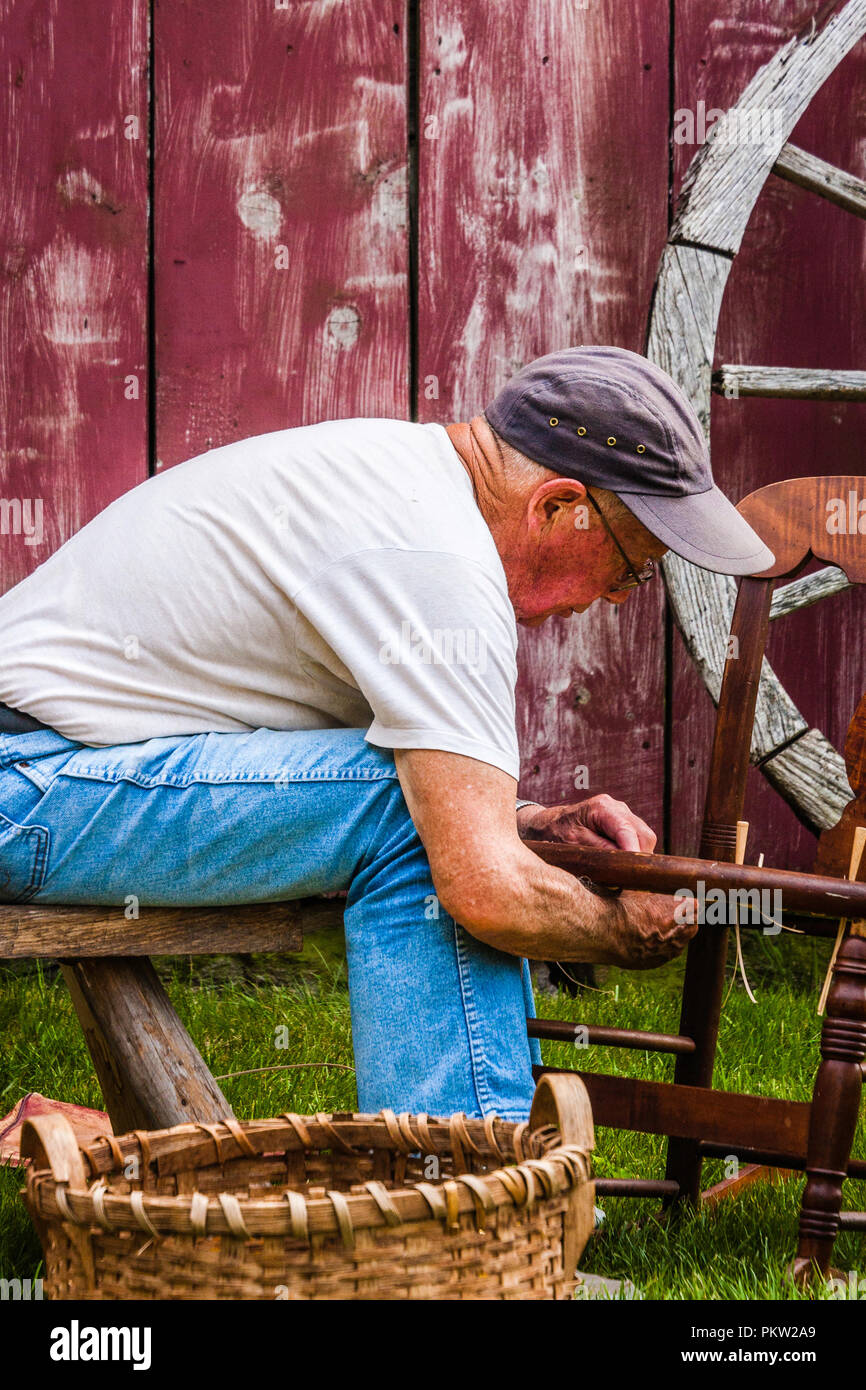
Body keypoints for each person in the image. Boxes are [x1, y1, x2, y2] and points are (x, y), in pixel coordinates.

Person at [0, 346, 773, 1120]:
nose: (614, 597)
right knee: (420, 826)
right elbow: (484, 888)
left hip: (52, 773)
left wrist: (530, 824)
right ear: (555, 505)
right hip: (27, 781)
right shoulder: (439, 563)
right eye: (630, 568)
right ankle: (471, 1200)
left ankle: (472, 1174)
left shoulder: (411, 489)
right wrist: (617, 932)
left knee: (438, 821)